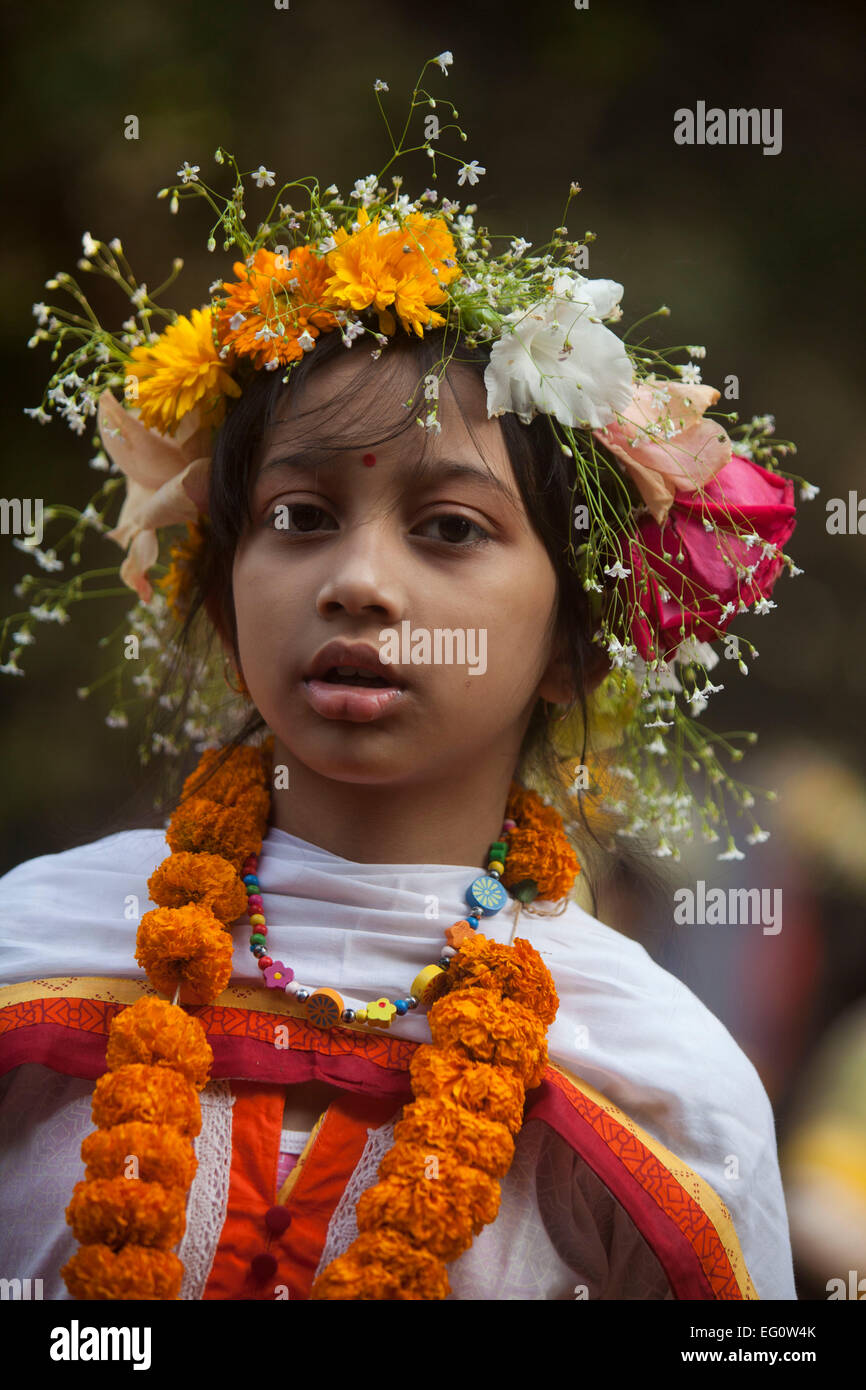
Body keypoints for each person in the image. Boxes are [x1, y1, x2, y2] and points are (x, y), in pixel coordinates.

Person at [0, 54, 802, 1300]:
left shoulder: (661, 1079)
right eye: (301, 514)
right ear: (222, 592)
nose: (359, 583)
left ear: (571, 645)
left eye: (448, 529)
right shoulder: (34, 950)